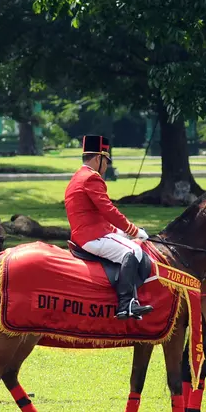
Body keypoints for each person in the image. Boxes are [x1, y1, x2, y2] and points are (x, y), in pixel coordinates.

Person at [64, 134, 151, 320]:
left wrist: (120, 231)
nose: (106, 166)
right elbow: (108, 210)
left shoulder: (78, 176)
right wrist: (133, 231)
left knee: (127, 242)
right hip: (92, 236)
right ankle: (126, 305)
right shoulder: (91, 178)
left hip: (88, 231)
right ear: (98, 158)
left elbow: (94, 213)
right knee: (133, 251)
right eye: (106, 161)